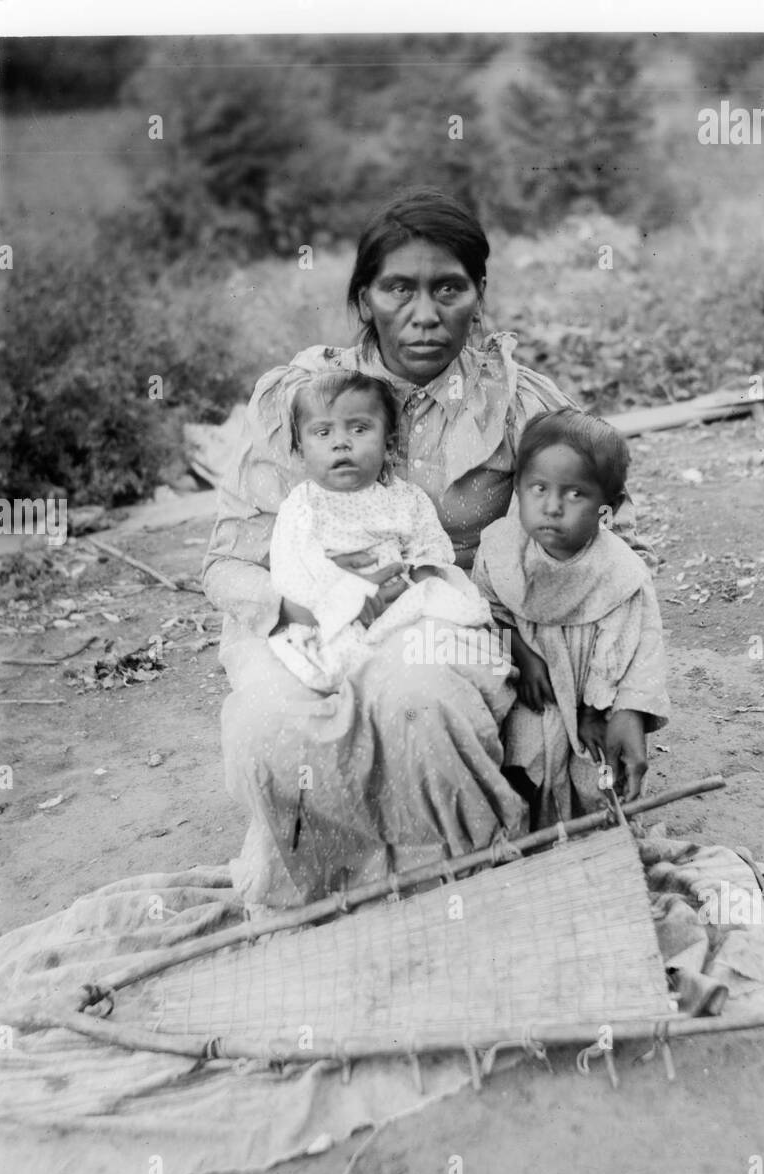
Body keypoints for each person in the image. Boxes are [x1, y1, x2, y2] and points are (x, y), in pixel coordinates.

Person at [203, 186, 647, 912]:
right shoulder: (306, 402)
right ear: (363, 297)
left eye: (448, 288)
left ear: (478, 293)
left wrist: (622, 697)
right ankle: (325, 899)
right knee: (265, 722)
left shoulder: (517, 404)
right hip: (305, 620)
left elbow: (594, 553)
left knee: (417, 693)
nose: (422, 313)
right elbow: (224, 564)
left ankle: (462, 888)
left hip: (465, 618)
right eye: (396, 288)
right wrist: (306, 608)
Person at [473, 408, 670, 829]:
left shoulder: (619, 573)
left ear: (608, 507)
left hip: (592, 697)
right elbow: (487, 614)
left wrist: (599, 710)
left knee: (595, 779)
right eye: (538, 488)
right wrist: (521, 655)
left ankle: (587, 838)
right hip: (526, 687)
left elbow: (633, 648)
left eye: (575, 494)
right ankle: (518, 835)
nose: (552, 507)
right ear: (518, 488)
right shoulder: (501, 551)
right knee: (521, 758)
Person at [267, 370, 491, 692]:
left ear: (388, 446)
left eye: (359, 429)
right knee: (346, 666)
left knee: (454, 642)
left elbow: (428, 549)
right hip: (337, 609)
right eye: (322, 432)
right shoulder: (302, 505)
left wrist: (423, 590)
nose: (341, 442)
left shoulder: (405, 497)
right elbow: (293, 566)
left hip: (404, 599)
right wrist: (341, 598)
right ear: (301, 450)